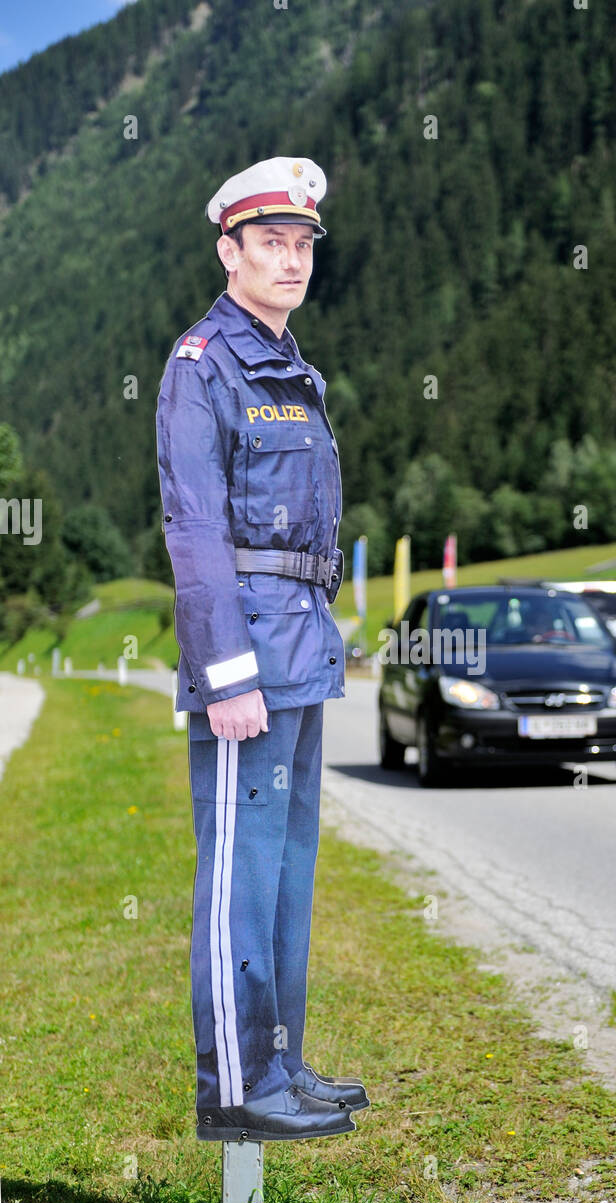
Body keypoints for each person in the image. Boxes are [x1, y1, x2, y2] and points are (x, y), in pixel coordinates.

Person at [155, 157, 369, 1143]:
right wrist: (226, 673)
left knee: (284, 870)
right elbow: (195, 531)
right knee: (237, 876)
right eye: (269, 244)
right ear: (227, 251)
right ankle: (234, 1085)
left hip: (301, 646)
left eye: (301, 245)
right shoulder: (202, 365)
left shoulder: (292, 363)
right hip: (248, 657)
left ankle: (279, 1062)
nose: (290, 261)